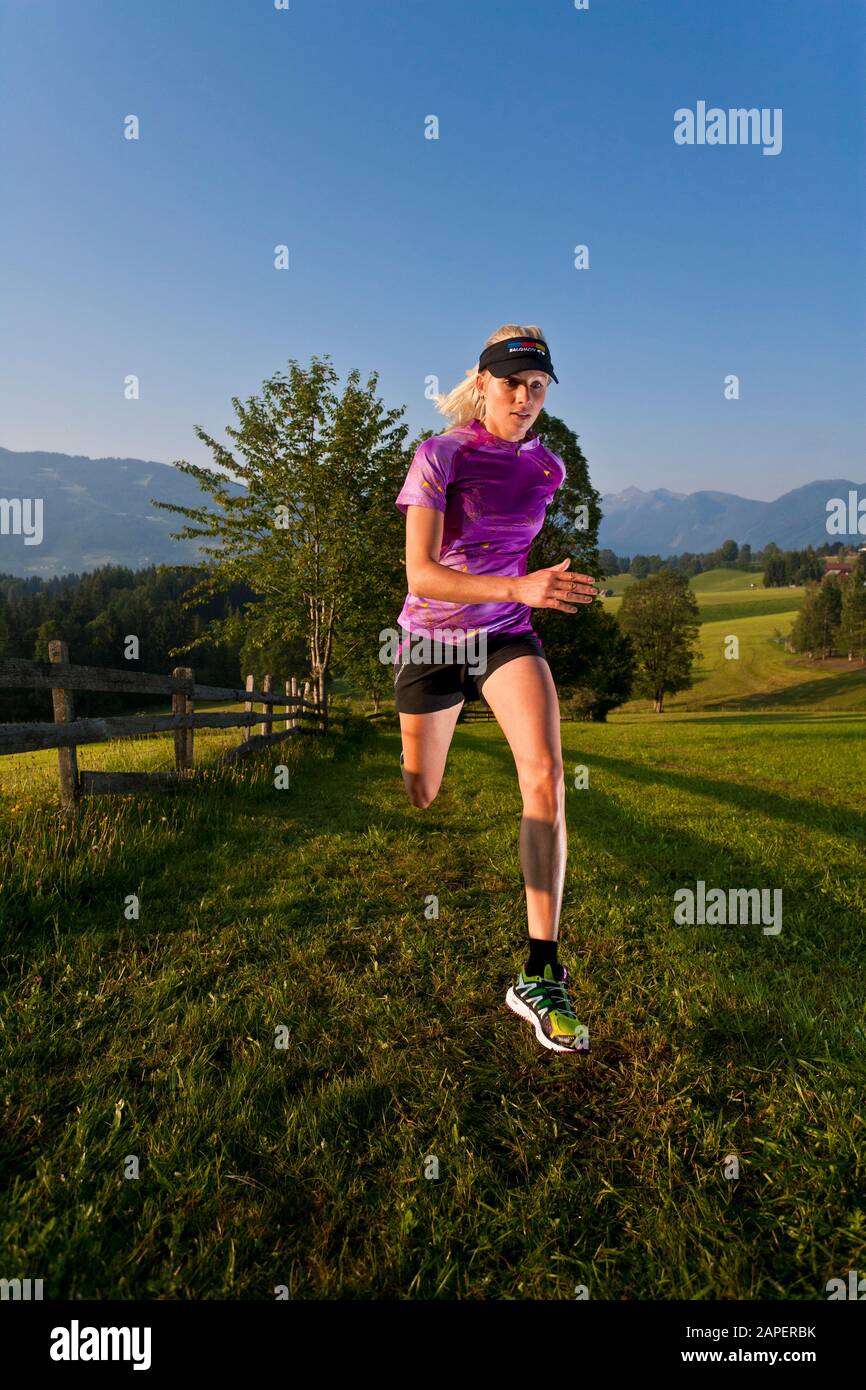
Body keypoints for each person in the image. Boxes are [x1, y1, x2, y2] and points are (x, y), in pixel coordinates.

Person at [392, 324, 598, 1053]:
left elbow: (511, 550)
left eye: (537, 386)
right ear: (482, 384)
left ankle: (541, 974)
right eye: (512, 382)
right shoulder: (438, 456)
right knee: (423, 790)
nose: (524, 397)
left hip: (507, 632)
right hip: (430, 639)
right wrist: (521, 582)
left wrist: (530, 592)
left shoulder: (549, 468)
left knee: (544, 776)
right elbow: (420, 573)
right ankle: (418, 752)